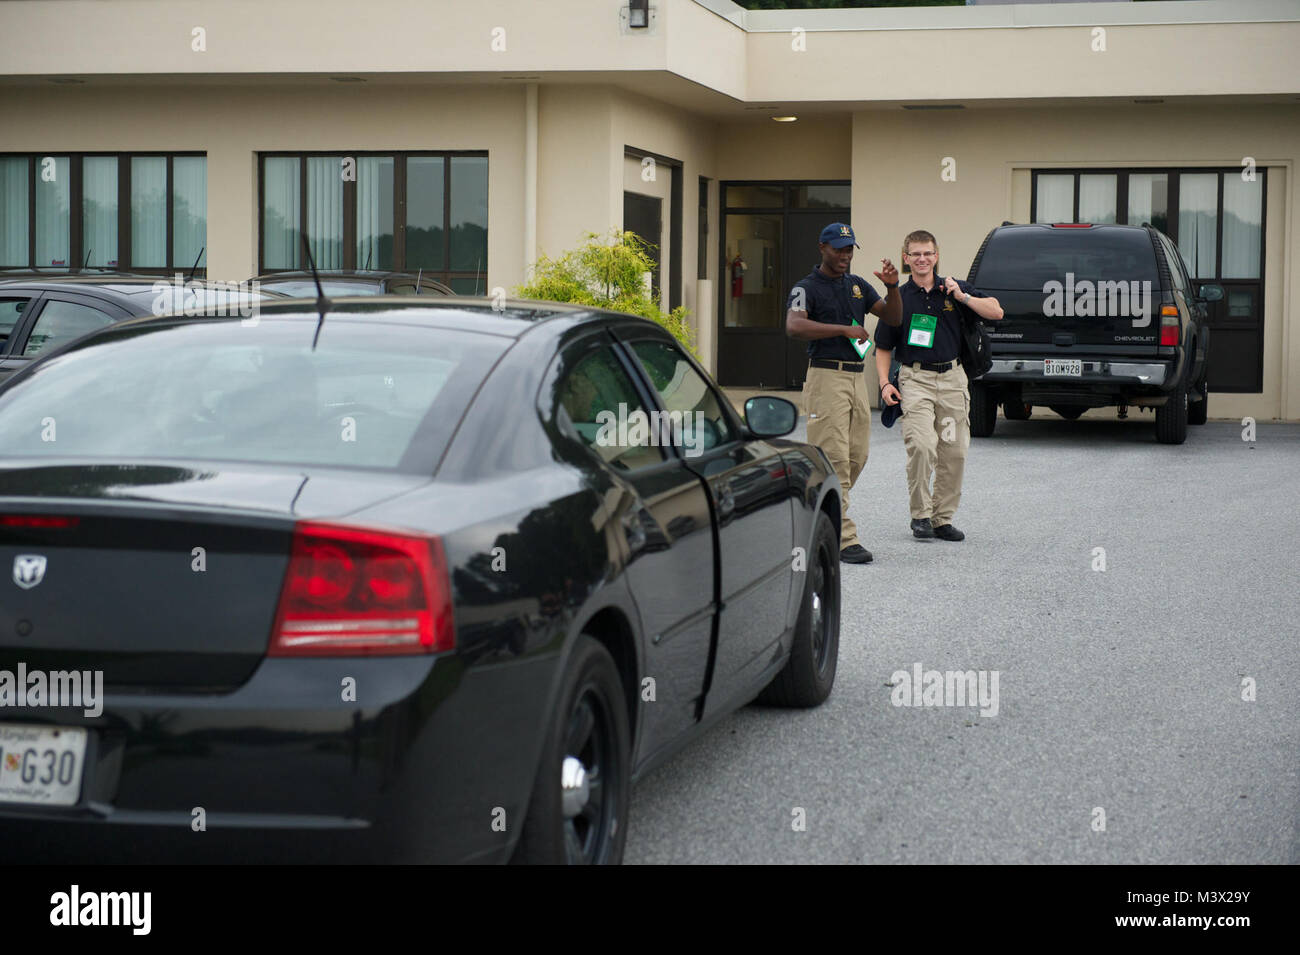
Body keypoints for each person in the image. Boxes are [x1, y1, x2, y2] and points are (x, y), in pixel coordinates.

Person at [874, 229, 1003, 541]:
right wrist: (883, 384)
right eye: (915, 254)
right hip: (915, 379)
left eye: (928, 253)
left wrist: (963, 297)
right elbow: (882, 347)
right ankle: (920, 515)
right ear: (906, 258)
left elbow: (997, 311)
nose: (922, 259)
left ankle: (941, 519)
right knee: (921, 445)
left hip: (952, 380)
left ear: (936, 255)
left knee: (954, 451)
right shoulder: (898, 298)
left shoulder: (954, 289)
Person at [785, 222, 902, 564]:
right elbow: (794, 325)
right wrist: (842, 328)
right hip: (825, 377)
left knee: (856, 456)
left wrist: (892, 287)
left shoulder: (857, 286)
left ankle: (818, 513)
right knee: (833, 456)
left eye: (849, 249)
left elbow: (893, 318)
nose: (844, 255)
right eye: (838, 249)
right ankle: (842, 537)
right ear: (822, 247)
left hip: (855, 378)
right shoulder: (806, 287)